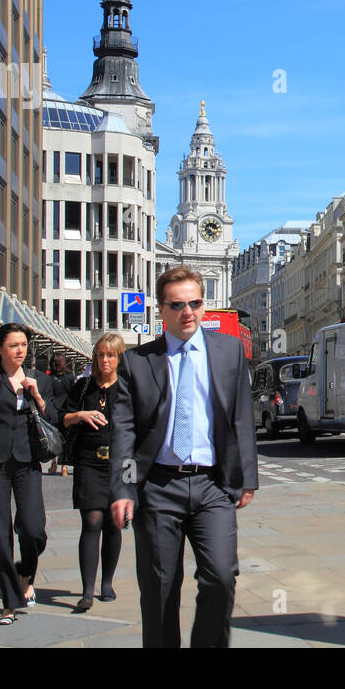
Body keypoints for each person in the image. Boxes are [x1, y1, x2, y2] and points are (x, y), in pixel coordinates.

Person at [110, 266, 258, 648]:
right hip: (159, 485)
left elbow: (241, 416)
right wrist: (125, 489)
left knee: (221, 577)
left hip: (212, 485)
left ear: (203, 304)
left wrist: (247, 477)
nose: (187, 312)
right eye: (177, 305)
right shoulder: (137, 362)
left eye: (194, 303)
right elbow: (124, 432)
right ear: (162, 309)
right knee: (159, 587)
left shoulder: (228, 353)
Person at [0, 323, 59, 626]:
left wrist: (36, 395)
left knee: (33, 528)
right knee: (1, 534)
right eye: (14, 345)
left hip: (28, 460)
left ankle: (25, 573)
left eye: (23, 345)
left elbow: (53, 418)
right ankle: (9, 602)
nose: (20, 350)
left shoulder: (38, 379)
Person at [61, 334, 126, 611]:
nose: (105, 360)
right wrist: (81, 415)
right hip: (89, 462)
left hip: (119, 464)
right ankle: (87, 590)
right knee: (91, 522)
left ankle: (107, 582)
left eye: (110, 355)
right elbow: (62, 417)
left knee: (113, 524)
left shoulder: (127, 388)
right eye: (100, 355)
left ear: (119, 358)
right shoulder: (83, 386)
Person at [46, 354, 77, 476]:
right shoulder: (69, 377)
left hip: (53, 410)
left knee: (53, 438)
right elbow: (73, 393)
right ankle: (64, 466)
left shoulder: (49, 377)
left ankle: (53, 464)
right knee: (65, 439)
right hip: (66, 412)